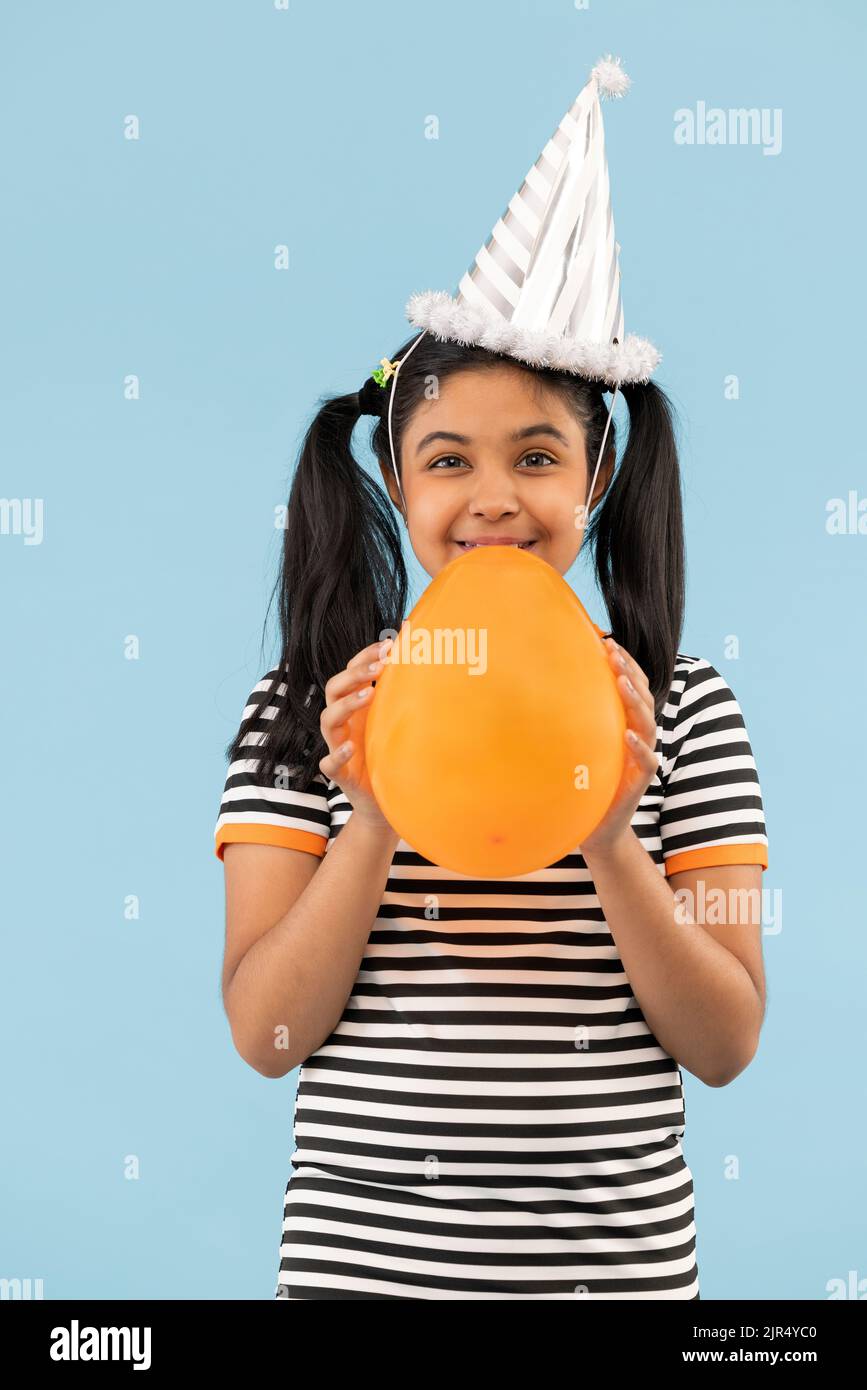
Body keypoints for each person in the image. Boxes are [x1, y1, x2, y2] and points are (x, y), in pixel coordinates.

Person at [213, 333, 769, 1299]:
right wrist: (374, 816)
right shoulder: (309, 707)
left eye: (537, 456)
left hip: (616, 1277)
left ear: (595, 476)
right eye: (446, 459)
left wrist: (608, 836)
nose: (494, 496)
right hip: (363, 1278)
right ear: (394, 479)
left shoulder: (681, 707)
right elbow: (266, 1036)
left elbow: (724, 1045)